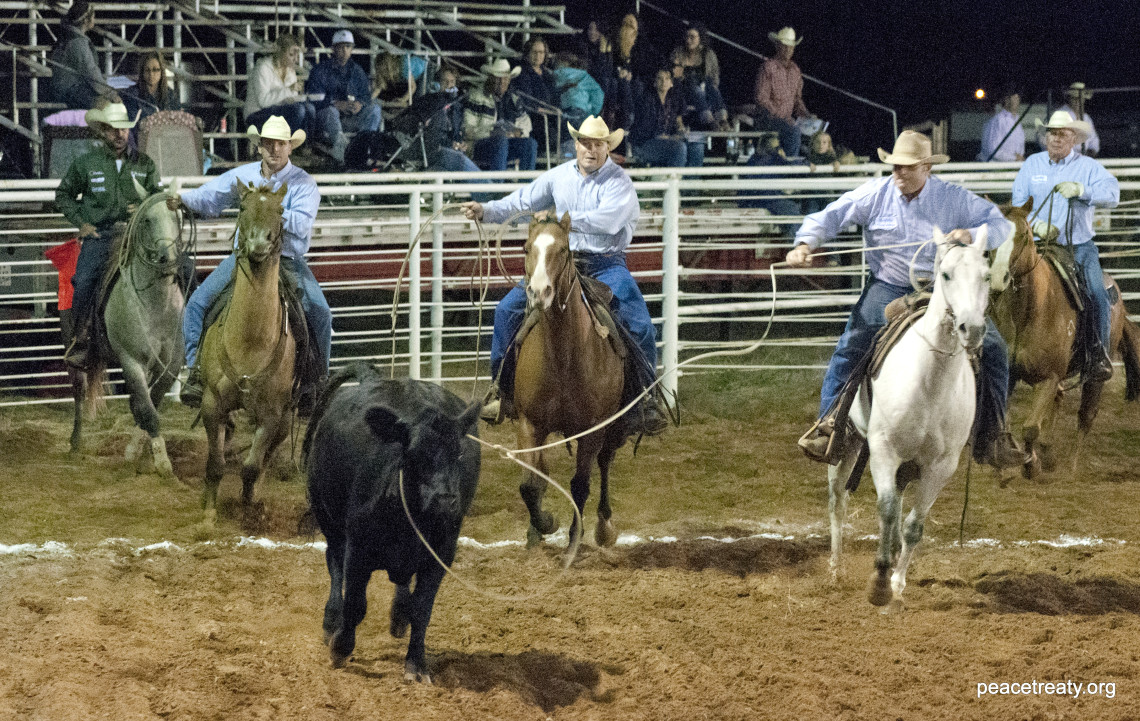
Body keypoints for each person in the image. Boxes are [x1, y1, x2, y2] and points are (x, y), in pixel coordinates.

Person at [789, 130, 1027, 469]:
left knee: (994, 348)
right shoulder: (876, 194)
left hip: (940, 289)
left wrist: (971, 234)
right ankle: (829, 425)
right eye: (895, 166)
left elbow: (1000, 225)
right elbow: (832, 215)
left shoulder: (953, 197)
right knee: (853, 343)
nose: (899, 173)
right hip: (889, 286)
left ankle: (994, 434)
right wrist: (805, 244)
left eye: (908, 167)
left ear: (927, 168)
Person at [460, 115, 667, 436]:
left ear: (607, 148)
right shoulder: (558, 176)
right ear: (577, 145)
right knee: (506, 310)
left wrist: (562, 218)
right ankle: (501, 390)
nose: (590, 150)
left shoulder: (619, 183)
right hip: (562, 262)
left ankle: (644, 398)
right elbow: (522, 202)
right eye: (585, 143)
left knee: (639, 324)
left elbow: (608, 221)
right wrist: (486, 210)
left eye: (597, 144)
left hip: (606, 264)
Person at [172, 116, 329, 407]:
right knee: (196, 304)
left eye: (280, 144)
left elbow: (302, 225)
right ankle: (195, 371)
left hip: (285, 260)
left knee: (321, 314)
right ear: (259, 147)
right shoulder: (243, 175)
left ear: (289, 147)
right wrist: (182, 199)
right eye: (268, 143)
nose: (274, 149)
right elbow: (211, 196)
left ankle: (315, 383)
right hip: (243, 258)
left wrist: (267, 211)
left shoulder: (303, 183)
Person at [1013, 110, 1121, 381]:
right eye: (1052, 133)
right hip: (1036, 245)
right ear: (1045, 137)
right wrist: (1036, 225)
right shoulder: (1032, 165)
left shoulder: (1088, 167)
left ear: (1073, 138)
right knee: (1002, 282)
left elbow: (1113, 194)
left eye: (1062, 134)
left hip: (1078, 247)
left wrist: (1083, 191)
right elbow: (1018, 203)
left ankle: (1098, 354)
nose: (1056, 138)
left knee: (1096, 292)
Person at [55, 101, 160, 369]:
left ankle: (182, 336)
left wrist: (144, 206)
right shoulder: (86, 163)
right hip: (101, 237)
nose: (120, 134)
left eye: (124, 129)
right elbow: (63, 195)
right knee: (84, 281)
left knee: (177, 268)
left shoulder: (145, 164)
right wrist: (81, 223)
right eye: (114, 129)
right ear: (103, 131)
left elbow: (156, 197)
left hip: (136, 236)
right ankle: (81, 339)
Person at [306, 29, 383, 164]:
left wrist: (360, 104)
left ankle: (364, 147)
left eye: (348, 47)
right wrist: (335, 104)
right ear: (333, 49)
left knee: (375, 108)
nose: (344, 50)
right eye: (340, 47)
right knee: (331, 111)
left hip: (350, 119)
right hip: (327, 121)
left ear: (351, 49)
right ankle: (343, 150)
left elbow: (365, 96)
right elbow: (313, 98)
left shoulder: (357, 71)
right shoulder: (320, 70)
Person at [455, 58, 537, 172]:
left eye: (505, 78)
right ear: (491, 79)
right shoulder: (477, 97)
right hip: (480, 145)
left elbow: (526, 124)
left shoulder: (514, 100)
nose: (502, 82)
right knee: (501, 141)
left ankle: (528, 182)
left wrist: (519, 132)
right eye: (498, 79)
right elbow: (467, 130)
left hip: (507, 144)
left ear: (509, 80)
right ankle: (497, 182)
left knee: (530, 144)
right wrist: (491, 133)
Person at [754, 26, 811, 158]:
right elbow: (761, 98)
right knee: (793, 132)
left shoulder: (795, 70)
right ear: (777, 46)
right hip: (768, 119)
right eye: (785, 46)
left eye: (791, 47)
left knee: (816, 134)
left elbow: (797, 100)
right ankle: (790, 165)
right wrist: (781, 116)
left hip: (787, 121)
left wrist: (806, 115)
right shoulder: (768, 67)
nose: (788, 50)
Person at [245, 34, 315, 139]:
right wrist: (288, 90)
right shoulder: (263, 68)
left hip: (278, 111)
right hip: (256, 114)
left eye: (297, 56)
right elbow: (263, 102)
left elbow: (290, 99)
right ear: (280, 51)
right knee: (298, 110)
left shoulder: (290, 71)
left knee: (310, 108)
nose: (295, 60)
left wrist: (295, 97)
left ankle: (305, 145)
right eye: (291, 55)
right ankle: (288, 142)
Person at [629, 67, 703, 168]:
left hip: (667, 141)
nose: (663, 82)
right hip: (644, 143)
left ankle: (689, 178)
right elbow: (646, 130)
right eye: (660, 78)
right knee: (679, 148)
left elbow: (679, 121)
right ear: (655, 83)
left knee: (697, 147)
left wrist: (681, 130)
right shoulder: (646, 100)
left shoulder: (673, 100)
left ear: (671, 83)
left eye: (667, 78)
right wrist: (669, 137)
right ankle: (674, 177)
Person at [48, 0, 106, 110]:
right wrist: (109, 92)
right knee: (106, 105)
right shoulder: (77, 42)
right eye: (93, 17)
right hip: (71, 92)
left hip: (62, 89)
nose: (94, 20)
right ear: (86, 20)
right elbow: (91, 71)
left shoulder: (66, 36)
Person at [122, 51, 181, 124]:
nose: (151, 74)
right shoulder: (131, 94)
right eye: (147, 70)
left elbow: (177, 122)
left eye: (155, 70)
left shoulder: (171, 95)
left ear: (162, 72)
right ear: (142, 72)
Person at [977, 88, 1024, 162]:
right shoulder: (998, 120)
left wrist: (1018, 158)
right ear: (1006, 100)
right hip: (996, 166)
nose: (1017, 101)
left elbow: (1019, 148)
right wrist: (1014, 158)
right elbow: (993, 150)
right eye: (1014, 98)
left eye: (1018, 98)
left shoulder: (1017, 121)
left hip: (1013, 165)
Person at [1059, 82, 1100, 156]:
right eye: (1075, 98)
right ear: (1069, 98)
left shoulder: (1086, 118)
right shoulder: (1060, 115)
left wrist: (1090, 153)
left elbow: (1094, 141)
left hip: (1084, 158)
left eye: (1080, 98)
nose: (1078, 101)